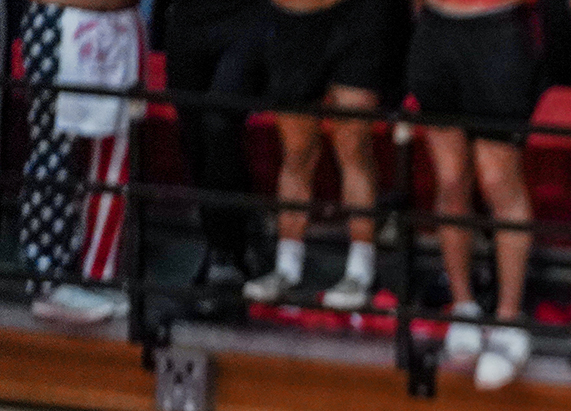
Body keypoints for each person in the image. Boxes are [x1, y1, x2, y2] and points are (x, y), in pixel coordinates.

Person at [242, 0, 409, 311]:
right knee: (296, 152)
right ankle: (287, 267)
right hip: (292, 19)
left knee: (353, 146)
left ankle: (360, 270)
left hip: (356, 18)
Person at [406, 0, 539, 389]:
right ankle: (463, 307)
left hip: (497, 30)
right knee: (450, 180)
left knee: (498, 180)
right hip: (436, 29)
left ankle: (509, 319)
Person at [19, 0, 144, 326]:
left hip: (113, 26)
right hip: (62, 24)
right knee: (53, 149)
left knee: (109, 156)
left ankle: (91, 274)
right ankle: (47, 279)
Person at [162, 0, 271, 313]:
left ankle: (228, 252)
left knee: (219, 123)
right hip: (187, 20)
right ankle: (227, 239)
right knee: (193, 132)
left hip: (248, 18)